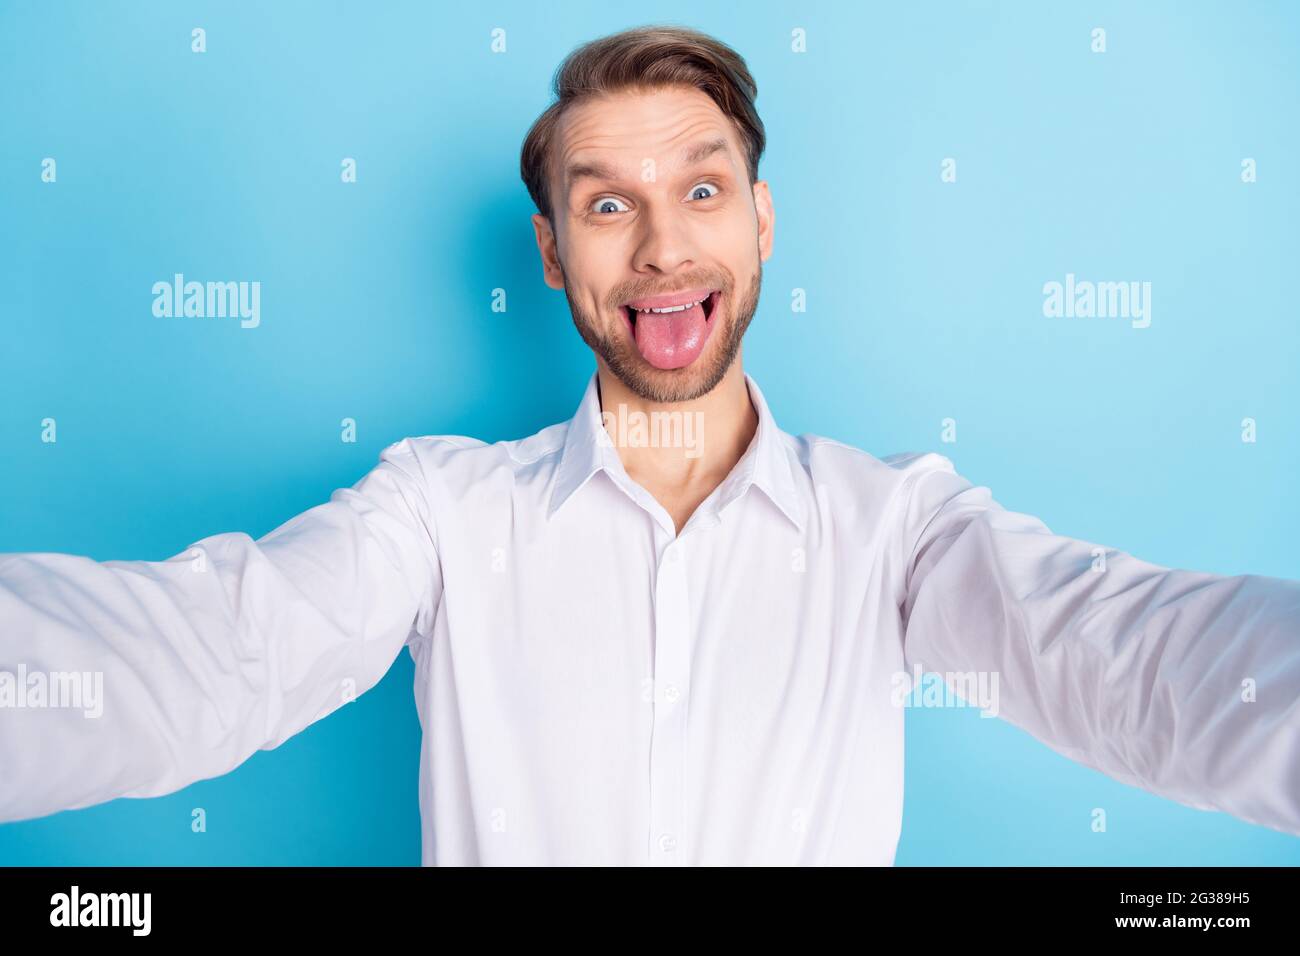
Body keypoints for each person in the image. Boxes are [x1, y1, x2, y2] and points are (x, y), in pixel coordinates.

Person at [1, 25, 1297, 865]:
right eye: (608, 205)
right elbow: (212, 654)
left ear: (763, 220)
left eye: (701, 191)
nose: (664, 248)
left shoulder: (897, 528)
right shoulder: (439, 515)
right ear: (555, 254)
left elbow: (1132, 659)